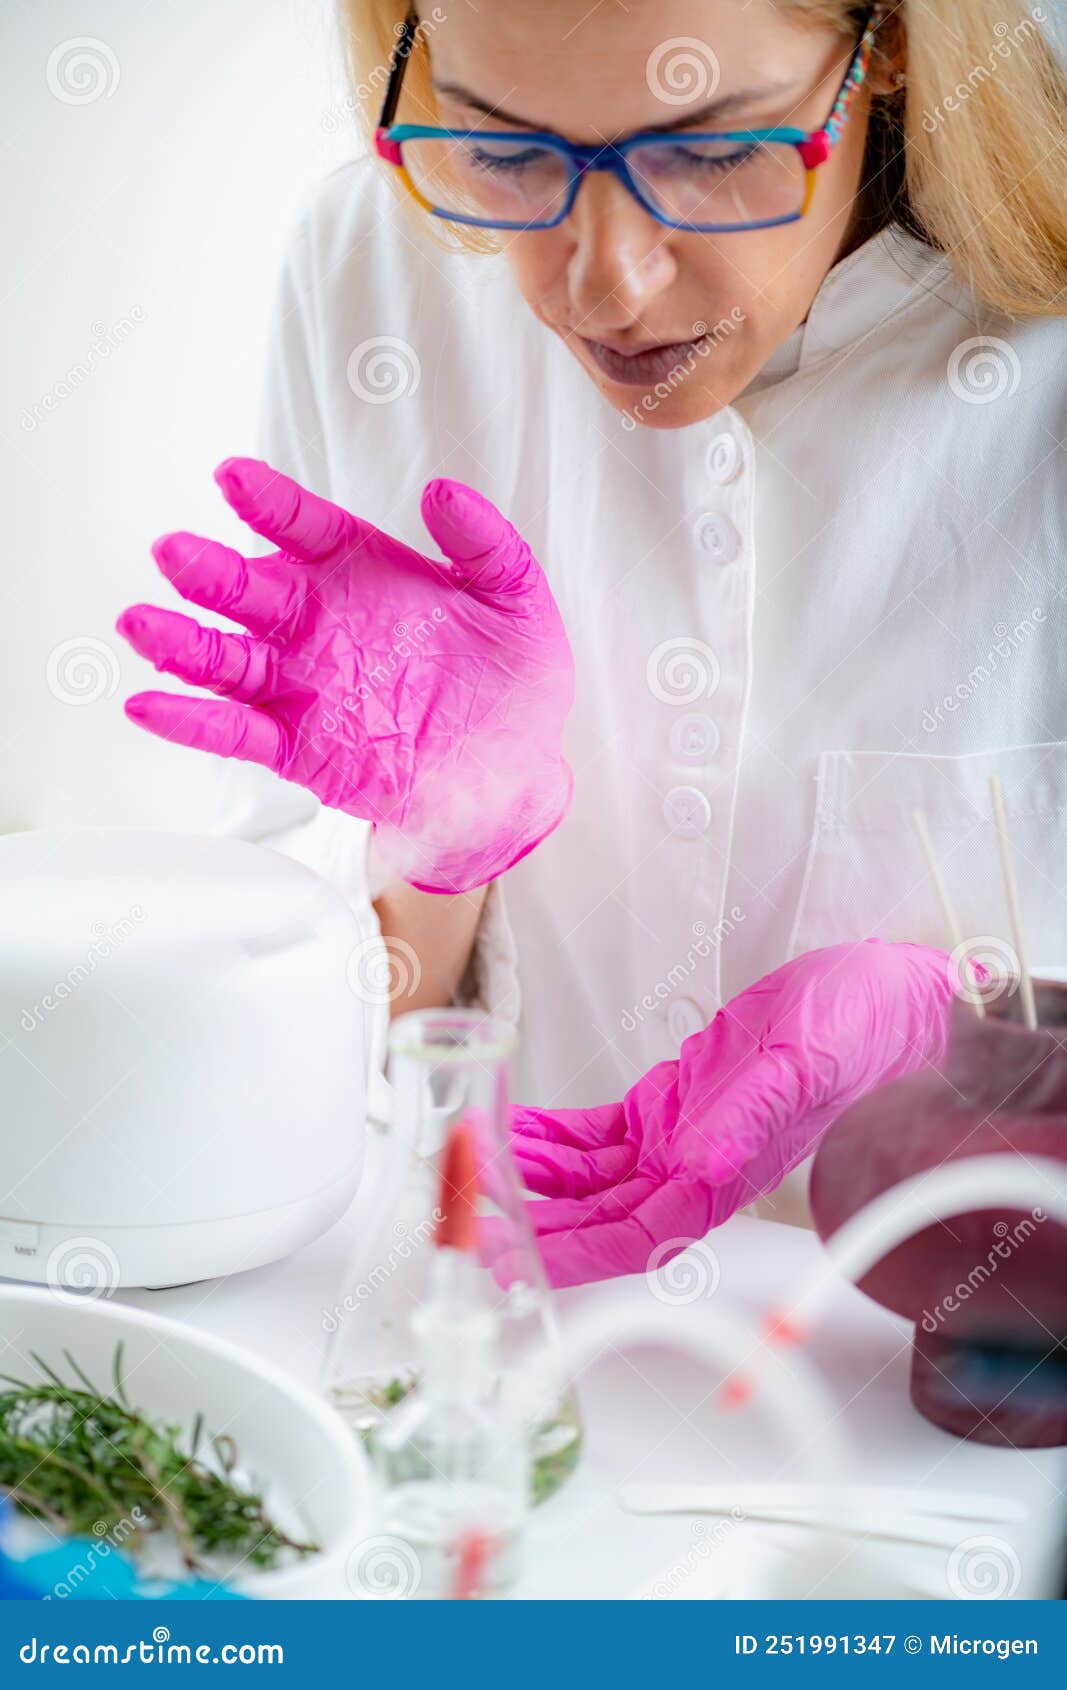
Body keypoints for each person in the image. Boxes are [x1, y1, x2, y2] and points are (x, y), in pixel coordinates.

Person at [118, 0, 1067, 1271]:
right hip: (491, 1327)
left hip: (951, 1411)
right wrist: (430, 856)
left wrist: (977, 1048)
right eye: (506, 152)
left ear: (888, 41)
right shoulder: (375, 270)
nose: (605, 281)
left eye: (710, 151)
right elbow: (312, 1060)